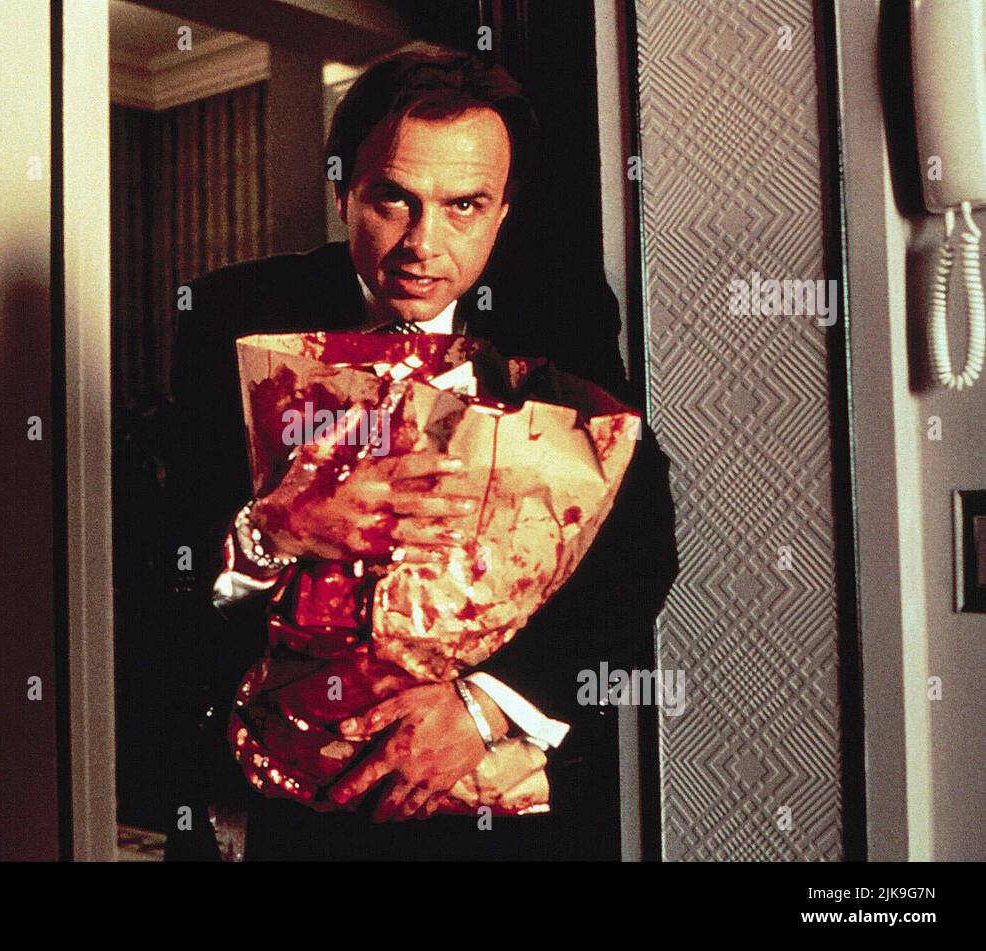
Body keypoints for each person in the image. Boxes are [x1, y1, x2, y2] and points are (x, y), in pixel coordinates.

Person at [158, 50, 678, 861]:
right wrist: (270, 530)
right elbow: (168, 557)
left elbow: (636, 547)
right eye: (393, 199)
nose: (422, 244)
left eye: (464, 205)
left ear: (502, 212)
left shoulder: (561, 309)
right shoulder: (235, 314)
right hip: (294, 791)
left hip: (496, 797)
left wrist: (485, 706)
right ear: (343, 191)